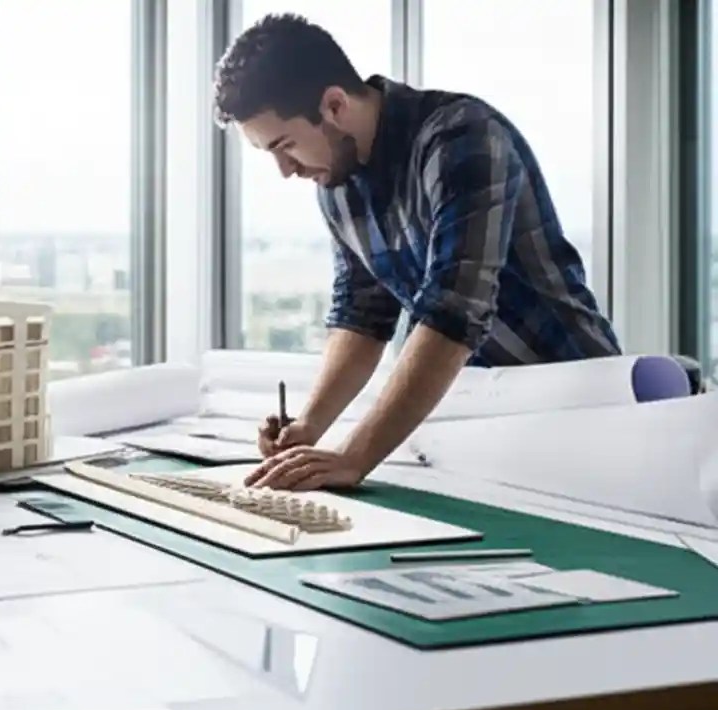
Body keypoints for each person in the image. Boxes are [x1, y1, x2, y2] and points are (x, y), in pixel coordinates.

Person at [211, 14, 620, 491]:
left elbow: (453, 313)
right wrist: (310, 427)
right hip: (485, 422)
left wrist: (353, 457)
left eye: (286, 146)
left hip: (586, 408)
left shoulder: (463, 137)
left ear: (334, 105)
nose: (285, 171)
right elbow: (360, 318)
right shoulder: (337, 185)